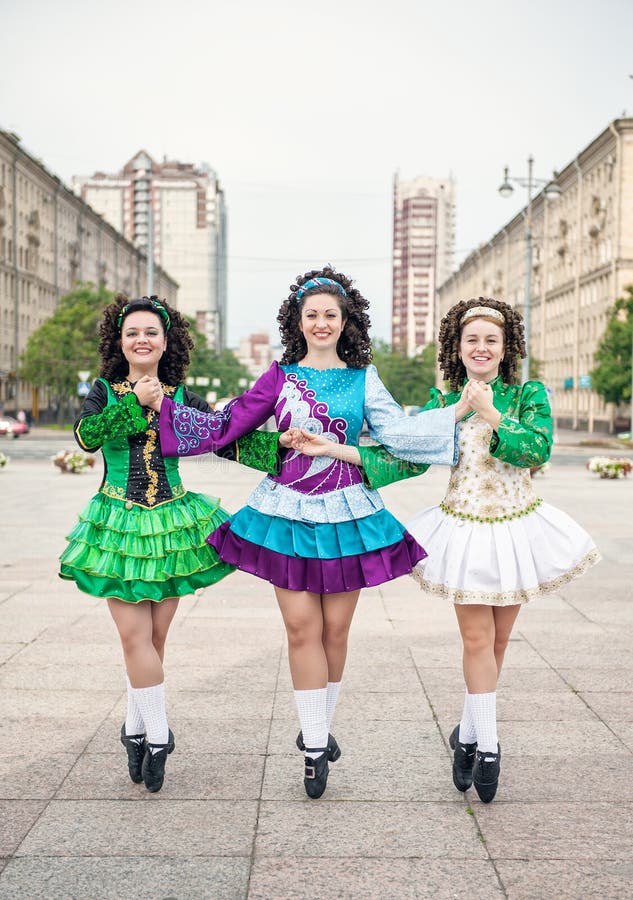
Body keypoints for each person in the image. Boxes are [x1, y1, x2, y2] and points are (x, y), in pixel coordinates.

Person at [152, 266, 469, 799]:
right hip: (287, 513)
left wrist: (457, 412)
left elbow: (397, 433)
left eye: (331, 315)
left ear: (346, 322)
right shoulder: (279, 376)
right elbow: (232, 422)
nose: (321, 323)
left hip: (349, 514)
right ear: (298, 322)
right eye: (312, 315)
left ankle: (318, 721)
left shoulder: (363, 378)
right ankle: (316, 748)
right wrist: (168, 409)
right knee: (302, 628)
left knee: (335, 633)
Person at [300, 297, 600, 803]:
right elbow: (403, 458)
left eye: (491, 341)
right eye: (471, 341)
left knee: (500, 641)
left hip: (515, 528)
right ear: (456, 348)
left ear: (506, 349)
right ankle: (488, 746)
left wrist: (493, 414)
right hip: (464, 530)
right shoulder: (445, 401)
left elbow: (538, 449)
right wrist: (333, 449)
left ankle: (466, 730)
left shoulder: (527, 394)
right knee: (478, 641)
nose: (481, 349)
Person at [59, 294, 282, 793]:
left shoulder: (182, 396)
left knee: (156, 640)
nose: (142, 339)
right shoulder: (103, 389)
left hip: (174, 526)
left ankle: (135, 728)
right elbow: (87, 436)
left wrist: (281, 449)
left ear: (166, 343)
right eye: (132, 332)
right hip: (117, 524)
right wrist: (133, 404)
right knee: (134, 637)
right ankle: (159, 736)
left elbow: (224, 436)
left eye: (151, 333)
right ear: (120, 342)